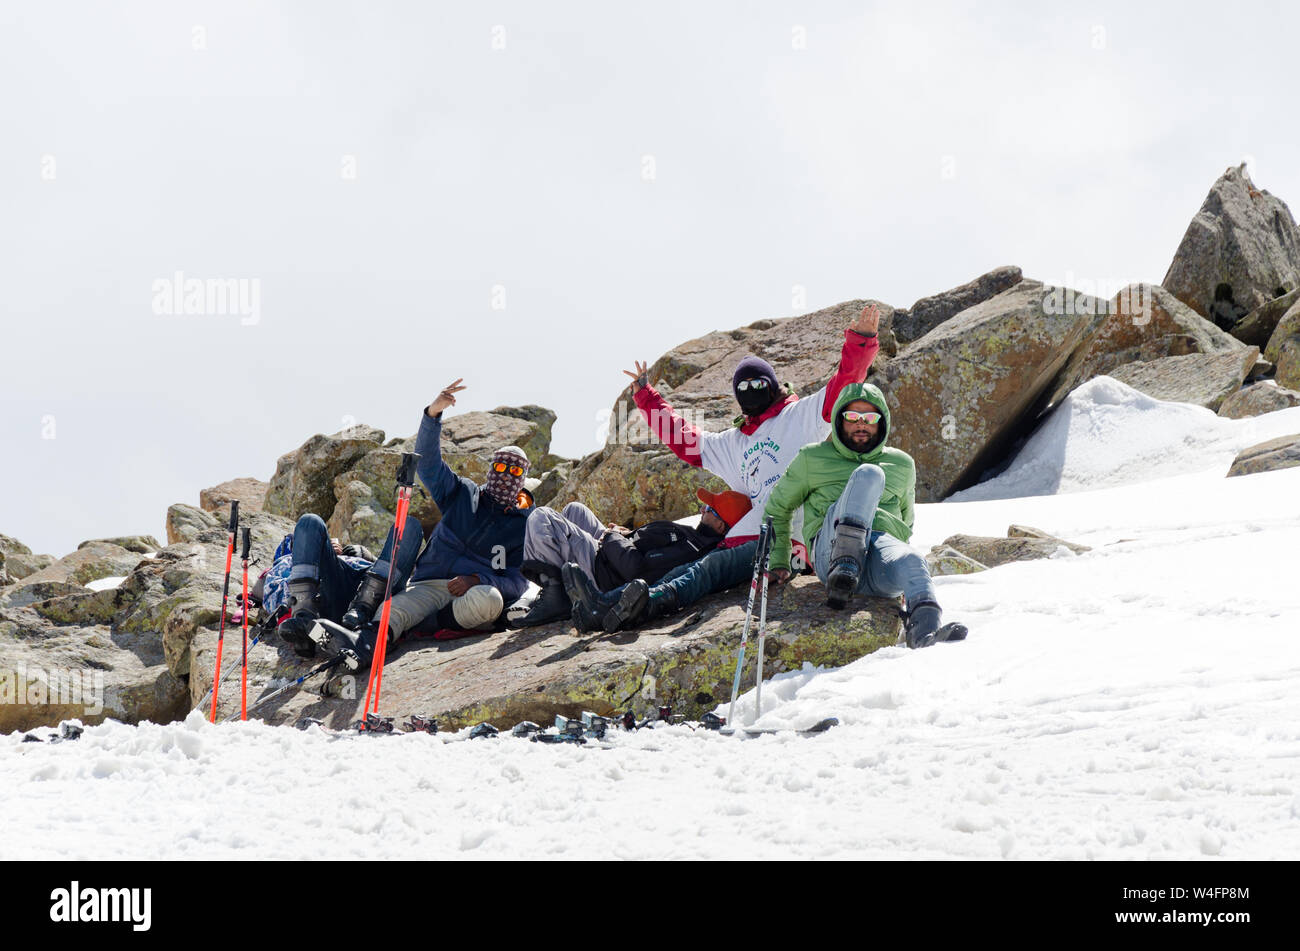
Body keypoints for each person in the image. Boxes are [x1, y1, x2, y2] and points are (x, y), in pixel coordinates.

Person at [562, 304, 881, 632]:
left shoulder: (799, 416)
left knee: (708, 568)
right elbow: (686, 441)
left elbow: (844, 384)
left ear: (772, 385)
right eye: (743, 389)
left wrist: (861, 341)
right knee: (692, 567)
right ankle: (606, 605)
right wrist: (646, 398)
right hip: (750, 536)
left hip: (788, 540)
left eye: (758, 385)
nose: (751, 393)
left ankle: (644, 607)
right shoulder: (734, 443)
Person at [315, 379, 531, 668]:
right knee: (397, 609)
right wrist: (433, 415)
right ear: (491, 468)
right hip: (430, 583)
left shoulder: (523, 525)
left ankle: (427, 625)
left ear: (522, 479)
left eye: (514, 470)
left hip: (472, 595)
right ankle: (364, 646)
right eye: (501, 466)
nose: (506, 474)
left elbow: (518, 582)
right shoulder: (463, 493)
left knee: (490, 599)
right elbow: (428, 465)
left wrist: (477, 579)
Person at [763, 382, 963, 648]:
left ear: (882, 422)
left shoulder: (902, 464)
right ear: (839, 420)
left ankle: (925, 633)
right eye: (853, 417)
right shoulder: (812, 458)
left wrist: (901, 576)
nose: (861, 424)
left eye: (869, 418)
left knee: (914, 560)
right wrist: (778, 561)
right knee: (869, 475)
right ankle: (845, 567)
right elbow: (778, 507)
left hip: (876, 559)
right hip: (830, 554)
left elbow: (905, 522)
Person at [512, 487, 751, 628]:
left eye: (709, 509)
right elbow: (646, 549)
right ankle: (562, 588)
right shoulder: (692, 538)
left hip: (603, 574)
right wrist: (628, 535)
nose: (702, 509)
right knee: (575, 510)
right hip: (611, 556)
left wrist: (609, 536)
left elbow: (635, 570)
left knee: (541, 517)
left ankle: (557, 597)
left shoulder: (689, 548)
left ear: (720, 526)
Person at [270, 512, 425, 658]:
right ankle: (304, 619)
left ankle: (362, 611)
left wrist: (363, 553)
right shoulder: (286, 564)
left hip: (376, 589)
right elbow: (274, 591)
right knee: (309, 521)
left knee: (409, 525)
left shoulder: (354, 553)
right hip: (336, 590)